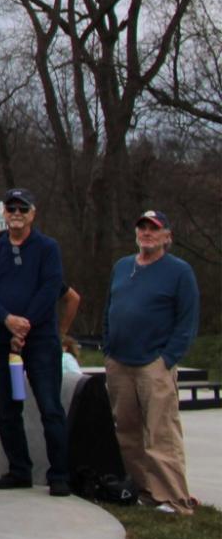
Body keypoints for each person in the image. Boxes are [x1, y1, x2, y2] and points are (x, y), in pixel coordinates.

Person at [101, 210, 200, 514]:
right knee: (127, 431)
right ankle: (144, 491)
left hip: (153, 364)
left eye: (154, 229)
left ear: (167, 236)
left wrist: (167, 358)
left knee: (160, 433)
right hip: (119, 362)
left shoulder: (179, 272)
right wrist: (107, 346)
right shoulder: (122, 267)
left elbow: (187, 322)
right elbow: (109, 309)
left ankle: (173, 498)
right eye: (142, 228)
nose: (147, 233)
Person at [0, 188, 70, 496]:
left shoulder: (47, 248)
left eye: (22, 208)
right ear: (4, 212)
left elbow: (51, 287)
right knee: (8, 407)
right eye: (11, 208)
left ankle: (60, 474)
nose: (16, 213)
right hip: (4, 341)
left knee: (49, 406)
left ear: (32, 213)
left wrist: (25, 325)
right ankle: (19, 469)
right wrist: (7, 320)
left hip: (40, 340)